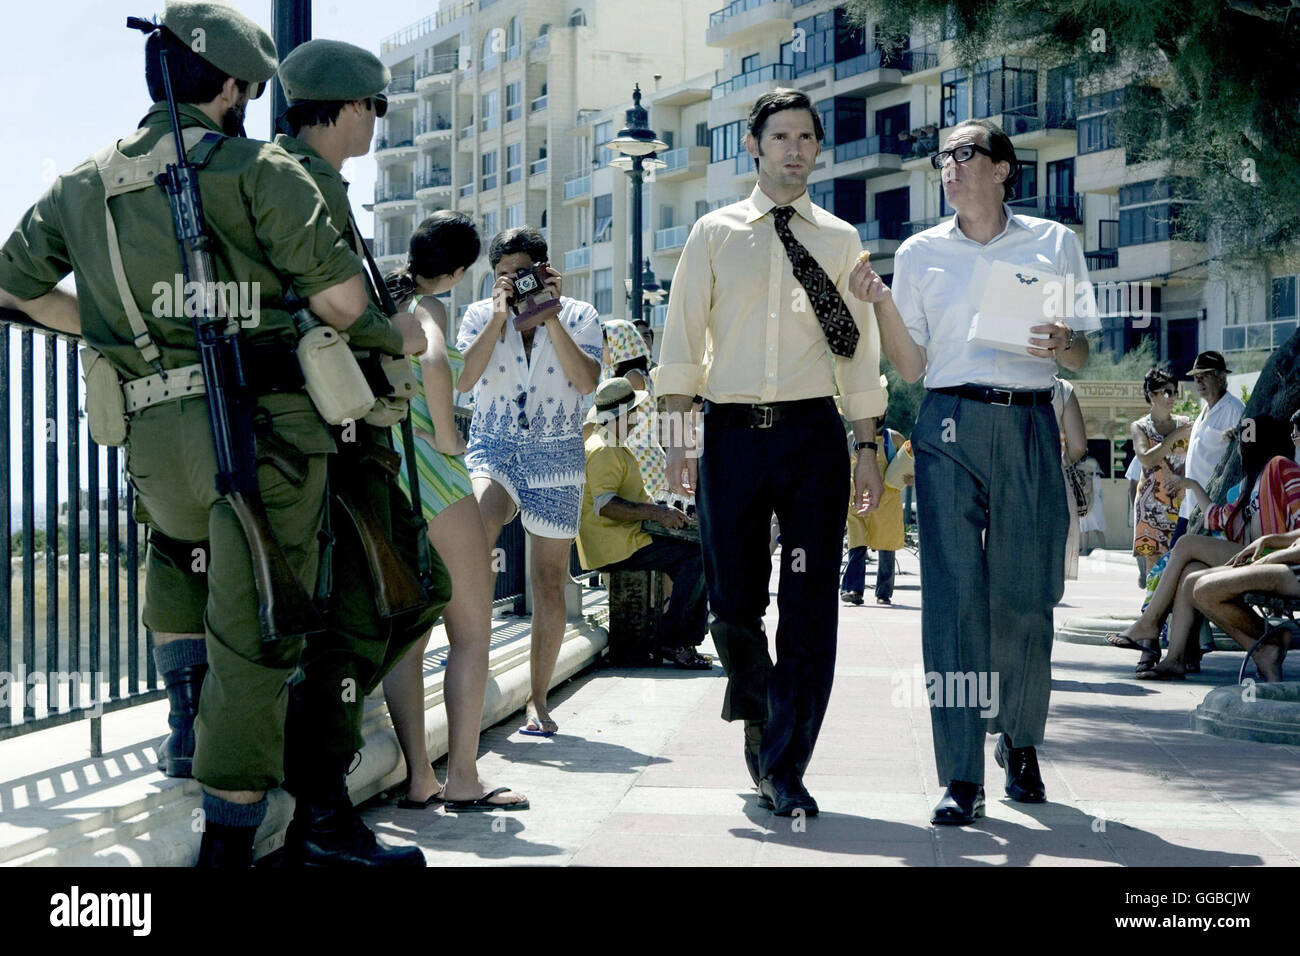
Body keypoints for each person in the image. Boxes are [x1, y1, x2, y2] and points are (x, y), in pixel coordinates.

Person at [0, 4, 430, 867]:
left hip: (152, 443)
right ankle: (233, 841)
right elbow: (345, 305)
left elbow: (12, 289)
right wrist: (407, 335)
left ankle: (185, 728)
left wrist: (117, 333)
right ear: (232, 86)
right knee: (262, 631)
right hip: (261, 433)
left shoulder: (82, 184)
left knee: (180, 567)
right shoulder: (258, 169)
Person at [850, 117, 1100, 825]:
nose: (949, 168)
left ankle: (1020, 741)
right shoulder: (922, 252)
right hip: (947, 425)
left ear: (1001, 168)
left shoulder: (1056, 242)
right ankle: (960, 775)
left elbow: (1079, 354)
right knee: (953, 603)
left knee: (1026, 598)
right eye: (941, 158)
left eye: (964, 155)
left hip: (1028, 420)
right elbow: (911, 365)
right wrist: (883, 304)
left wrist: (1064, 341)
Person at [659, 88, 888, 817]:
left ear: (818, 150)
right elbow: (682, 341)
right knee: (731, 602)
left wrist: (869, 443)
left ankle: (786, 763)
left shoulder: (840, 239)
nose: (794, 149)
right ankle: (759, 706)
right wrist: (675, 441)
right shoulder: (714, 233)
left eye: (806, 138)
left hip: (812, 437)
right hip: (729, 434)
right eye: (780, 136)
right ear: (753, 146)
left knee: (811, 602)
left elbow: (857, 350)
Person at [273, 38, 463, 858]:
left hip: (351, 432)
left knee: (412, 593)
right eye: (376, 108)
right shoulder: (293, 184)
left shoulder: (314, 186)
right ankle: (323, 815)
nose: (377, 122)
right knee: (352, 621)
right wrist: (405, 333)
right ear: (351, 107)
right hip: (325, 435)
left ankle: (323, 793)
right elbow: (328, 304)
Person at [375, 212, 528, 811]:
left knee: (410, 637)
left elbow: (462, 370)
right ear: (460, 270)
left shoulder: (383, 301)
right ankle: (463, 777)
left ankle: (419, 779)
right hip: (434, 479)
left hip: (386, 479)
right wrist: (445, 435)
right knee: (471, 632)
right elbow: (439, 364)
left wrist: (494, 319)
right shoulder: (429, 310)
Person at [455, 227, 602, 736]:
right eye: (503, 276)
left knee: (548, 581)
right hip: (494, 444)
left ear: (543, 271)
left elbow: (586, 383)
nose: (513, 285)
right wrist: (498, 320)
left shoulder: (580, 315)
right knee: (476, 538)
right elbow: (462, 380)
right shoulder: (478, 316)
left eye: (522, 275)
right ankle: (474, 673)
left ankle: (537, 701)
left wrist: (551, 314)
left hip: (557, 451)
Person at [1105, 415, 1300, 676]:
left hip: (1273, 556)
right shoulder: (1251, 482)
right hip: (1254, 555)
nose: (1242, 447)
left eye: (1247, 440)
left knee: (1185, 544)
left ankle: (1150, 622)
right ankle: (1175, 658)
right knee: (1189, 573)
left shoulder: (1281, 466)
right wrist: (1192, 485)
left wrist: (1274, 545)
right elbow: (1217, 517)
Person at [576, 377, 711, 668]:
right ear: (622, 415)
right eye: (634, 413)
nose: (637, 420)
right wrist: (658, 513)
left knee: (695, 554)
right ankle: (675, 642)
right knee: (696, 557)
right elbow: (605, 506)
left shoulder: (610, 445)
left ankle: (677, 636)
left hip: (625, 539)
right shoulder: (604, 449)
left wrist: (662, 510)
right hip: (616, 545)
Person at [1170, 351, 1245, 657]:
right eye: (1196, 376)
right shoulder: (1204, 411)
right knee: (1177, 572)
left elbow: (1243, 455)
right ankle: (1194, 645)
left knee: (1186, 574)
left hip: (1215, 511)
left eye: (1205, 376)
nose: (1198, 381)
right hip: (1191, 508)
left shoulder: (1234, 410)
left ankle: (1187, 646)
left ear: (1221, 377)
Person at [1130, 365, 1192, 577]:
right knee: (1154, 568)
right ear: (1151, 395)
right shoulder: (1140, 427)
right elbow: (1146, 459)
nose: (1172, 397)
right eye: (1167, 392)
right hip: (1151, 508)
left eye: (1174, 391)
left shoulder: (1186, 424)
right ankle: (1152, 608)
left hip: (1181, 505)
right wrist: (1175, 437)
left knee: (1180, 563)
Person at [842, 415, 907, 605]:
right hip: (858, 500)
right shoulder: (852, 437)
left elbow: (910, 462)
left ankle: (884, 593)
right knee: (857, 545)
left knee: (886, 547)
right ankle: (853, 589)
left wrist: (911, 475)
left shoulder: (894, 439)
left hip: (886, 504)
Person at [600, 318, 668, 501]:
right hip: (636, 456)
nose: (601, 352)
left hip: (640, 459)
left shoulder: (632, 378)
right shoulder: (632, 375)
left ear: (618, 345)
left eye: (604, 346)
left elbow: (618, 423)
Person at [1051, 376, 1088, 581]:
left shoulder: (997, 380)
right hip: (1053, 481)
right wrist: (1062, 463)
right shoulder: (1062, 389)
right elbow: (1078, 446)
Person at [1078, 457, 1107, 555]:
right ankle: (1103, 548)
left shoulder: (1089, 479)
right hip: (1095, 505)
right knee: (1096, 529)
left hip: (1090, 504)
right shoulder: (1096, 478)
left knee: (1085, 529)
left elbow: (1088, 492)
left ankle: (1084, 549)